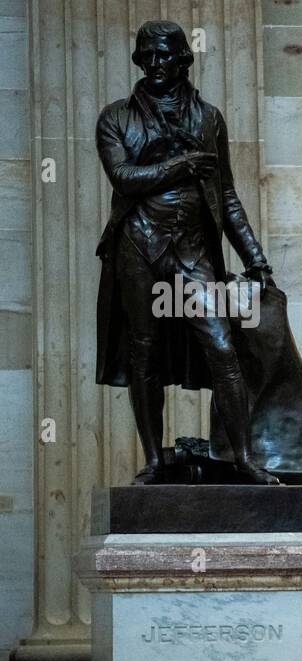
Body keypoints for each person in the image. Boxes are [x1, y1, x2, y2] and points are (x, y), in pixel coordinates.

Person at [95, 20, 279, 486]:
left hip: (194, 251)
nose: (155, 63)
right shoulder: (116, 118)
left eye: (164, 54)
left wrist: (255, 258)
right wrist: (182, 163)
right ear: (138, 59)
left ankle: (243, 459)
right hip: (139, 246)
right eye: (147, 54)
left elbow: (229, 195)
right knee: (144, 352)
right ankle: (155, 461)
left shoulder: (208, 117)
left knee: (223, 347)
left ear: (183, 60)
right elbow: (124, 179)